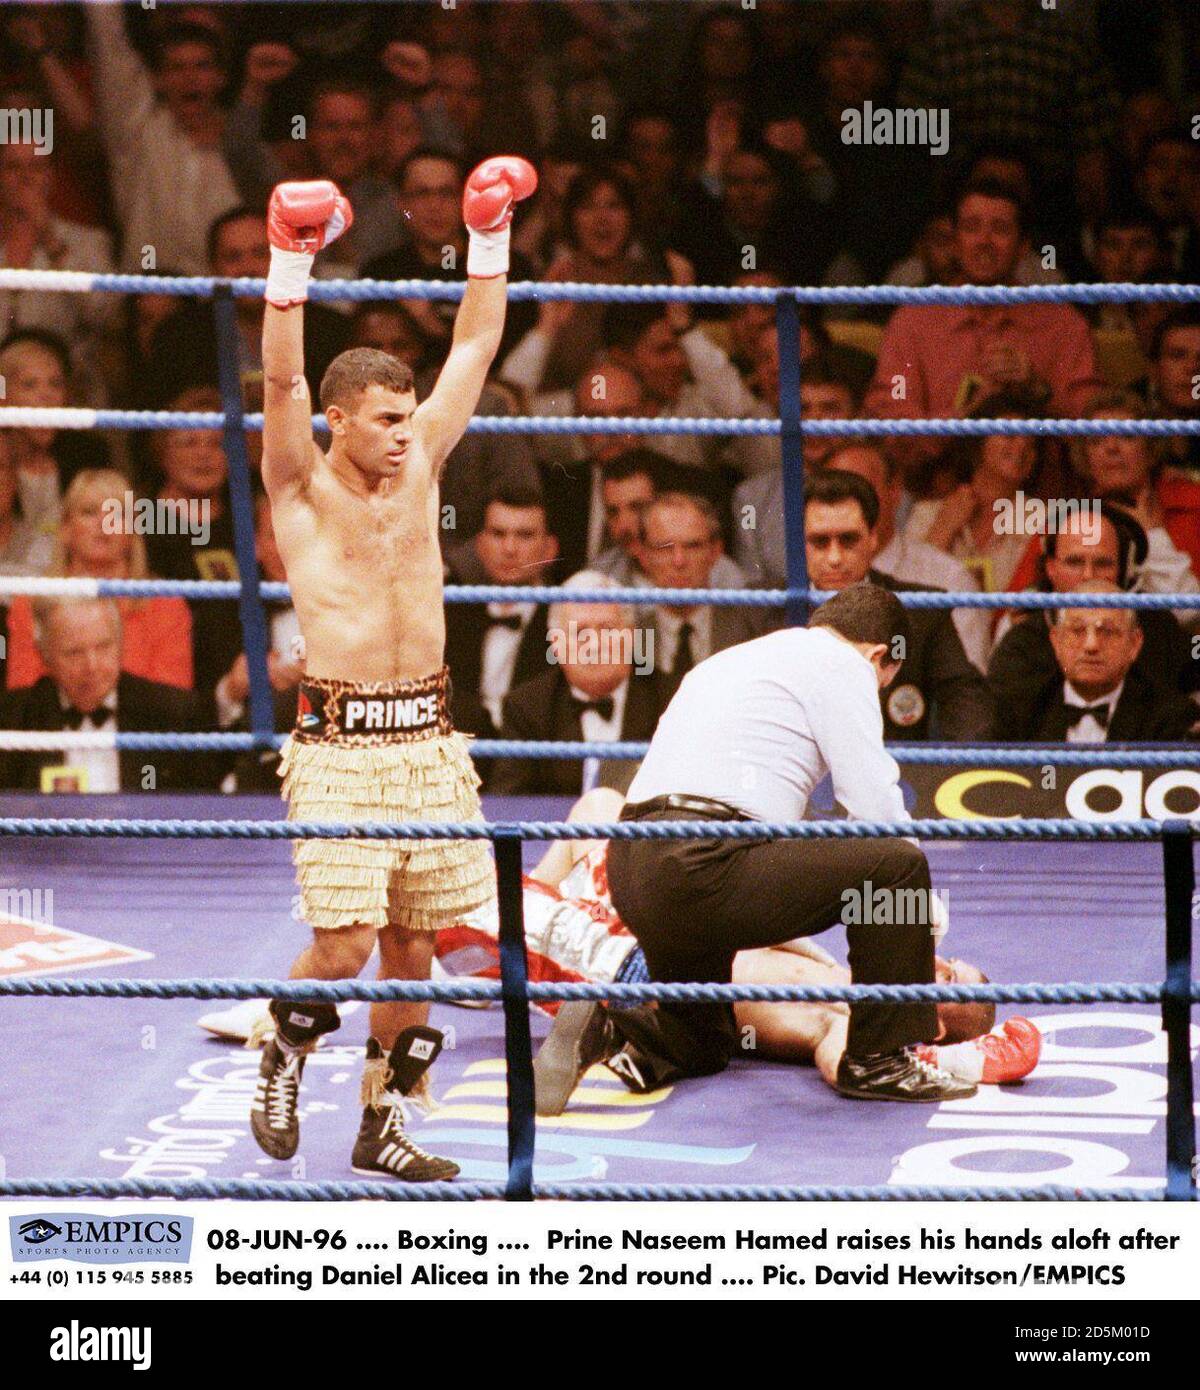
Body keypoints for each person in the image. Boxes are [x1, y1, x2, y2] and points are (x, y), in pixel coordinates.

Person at [249, 156, 537, 1183]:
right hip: (341, 750)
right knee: (344, 942)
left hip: (430, 741)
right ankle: (283, 1049)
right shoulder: (300, 490)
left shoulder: (425, 464)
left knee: (416, 947)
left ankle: (384, 1119)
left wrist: (488, 234)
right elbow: (281, 377)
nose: (405, 429)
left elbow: (476, 338)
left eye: (410, 412)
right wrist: (289, 263)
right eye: (385, 417)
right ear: (339, 421)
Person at [201, 790, 1040, 1099]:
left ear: (925, 1026)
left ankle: (289, 1014)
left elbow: (839, 1059)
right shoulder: (831, 961)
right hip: (651, 919)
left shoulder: (833, 1019)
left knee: (433, 900)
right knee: (603, 802)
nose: (932, 962)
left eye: (941, 984)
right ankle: (523, 913)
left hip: (621, 966)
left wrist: (980, 1062)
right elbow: (747, 915)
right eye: (946, 961)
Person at [537, 584, 975, 1106]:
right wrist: (920, 915)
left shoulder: (734, 661)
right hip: (702, 864)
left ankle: (607, 1028)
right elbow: (874, 806)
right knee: (897, 864)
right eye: (884, 683)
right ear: (880, 655)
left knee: (702, 1041)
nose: (876, 696)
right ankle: (877, 1058)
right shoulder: (841, 663)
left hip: (634, 865)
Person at [804, 471, 994, 740]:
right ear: (801, 544)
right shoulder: (756, 608)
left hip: (895, 774)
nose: (834, 557)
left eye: (848, 540)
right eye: (820, 542)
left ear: (873, 539)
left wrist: (948, 776)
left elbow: (967, 703)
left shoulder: (921, 610)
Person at [3, 469, 193, 692]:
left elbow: (172, 705)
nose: (104, 523)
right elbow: (25, 703)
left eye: (117, 514)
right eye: (89, 512)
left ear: (132, 532)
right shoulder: (30, 604)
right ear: (65, 529)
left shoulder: (165, 604)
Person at [0, 597, 213, 792]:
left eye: (103, 647)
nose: (92, 666)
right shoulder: (12, 721)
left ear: (121, 645)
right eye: (74, 652)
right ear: (44, 656)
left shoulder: (171, 714)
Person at [489, 571, 670, 797]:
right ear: (556, 643)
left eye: (606, 629)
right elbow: (510, 804)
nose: (593, 646)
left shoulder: (670, 699)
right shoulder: (527, 707)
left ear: (631, 635)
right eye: (580, 632)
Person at [998, 581, 1198, 743]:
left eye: (1107, 631)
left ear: (1134, 644)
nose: (1091, 645)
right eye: (1077, 630)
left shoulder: (1171, 718)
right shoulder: (1019, 713)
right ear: (1056, 642)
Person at [636, 491, 764, 694]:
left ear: (715, 552)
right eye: (664, 548)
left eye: (692, 546)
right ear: (643, 555)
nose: (679, 561)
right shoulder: (631, 640)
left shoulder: (750, 633)